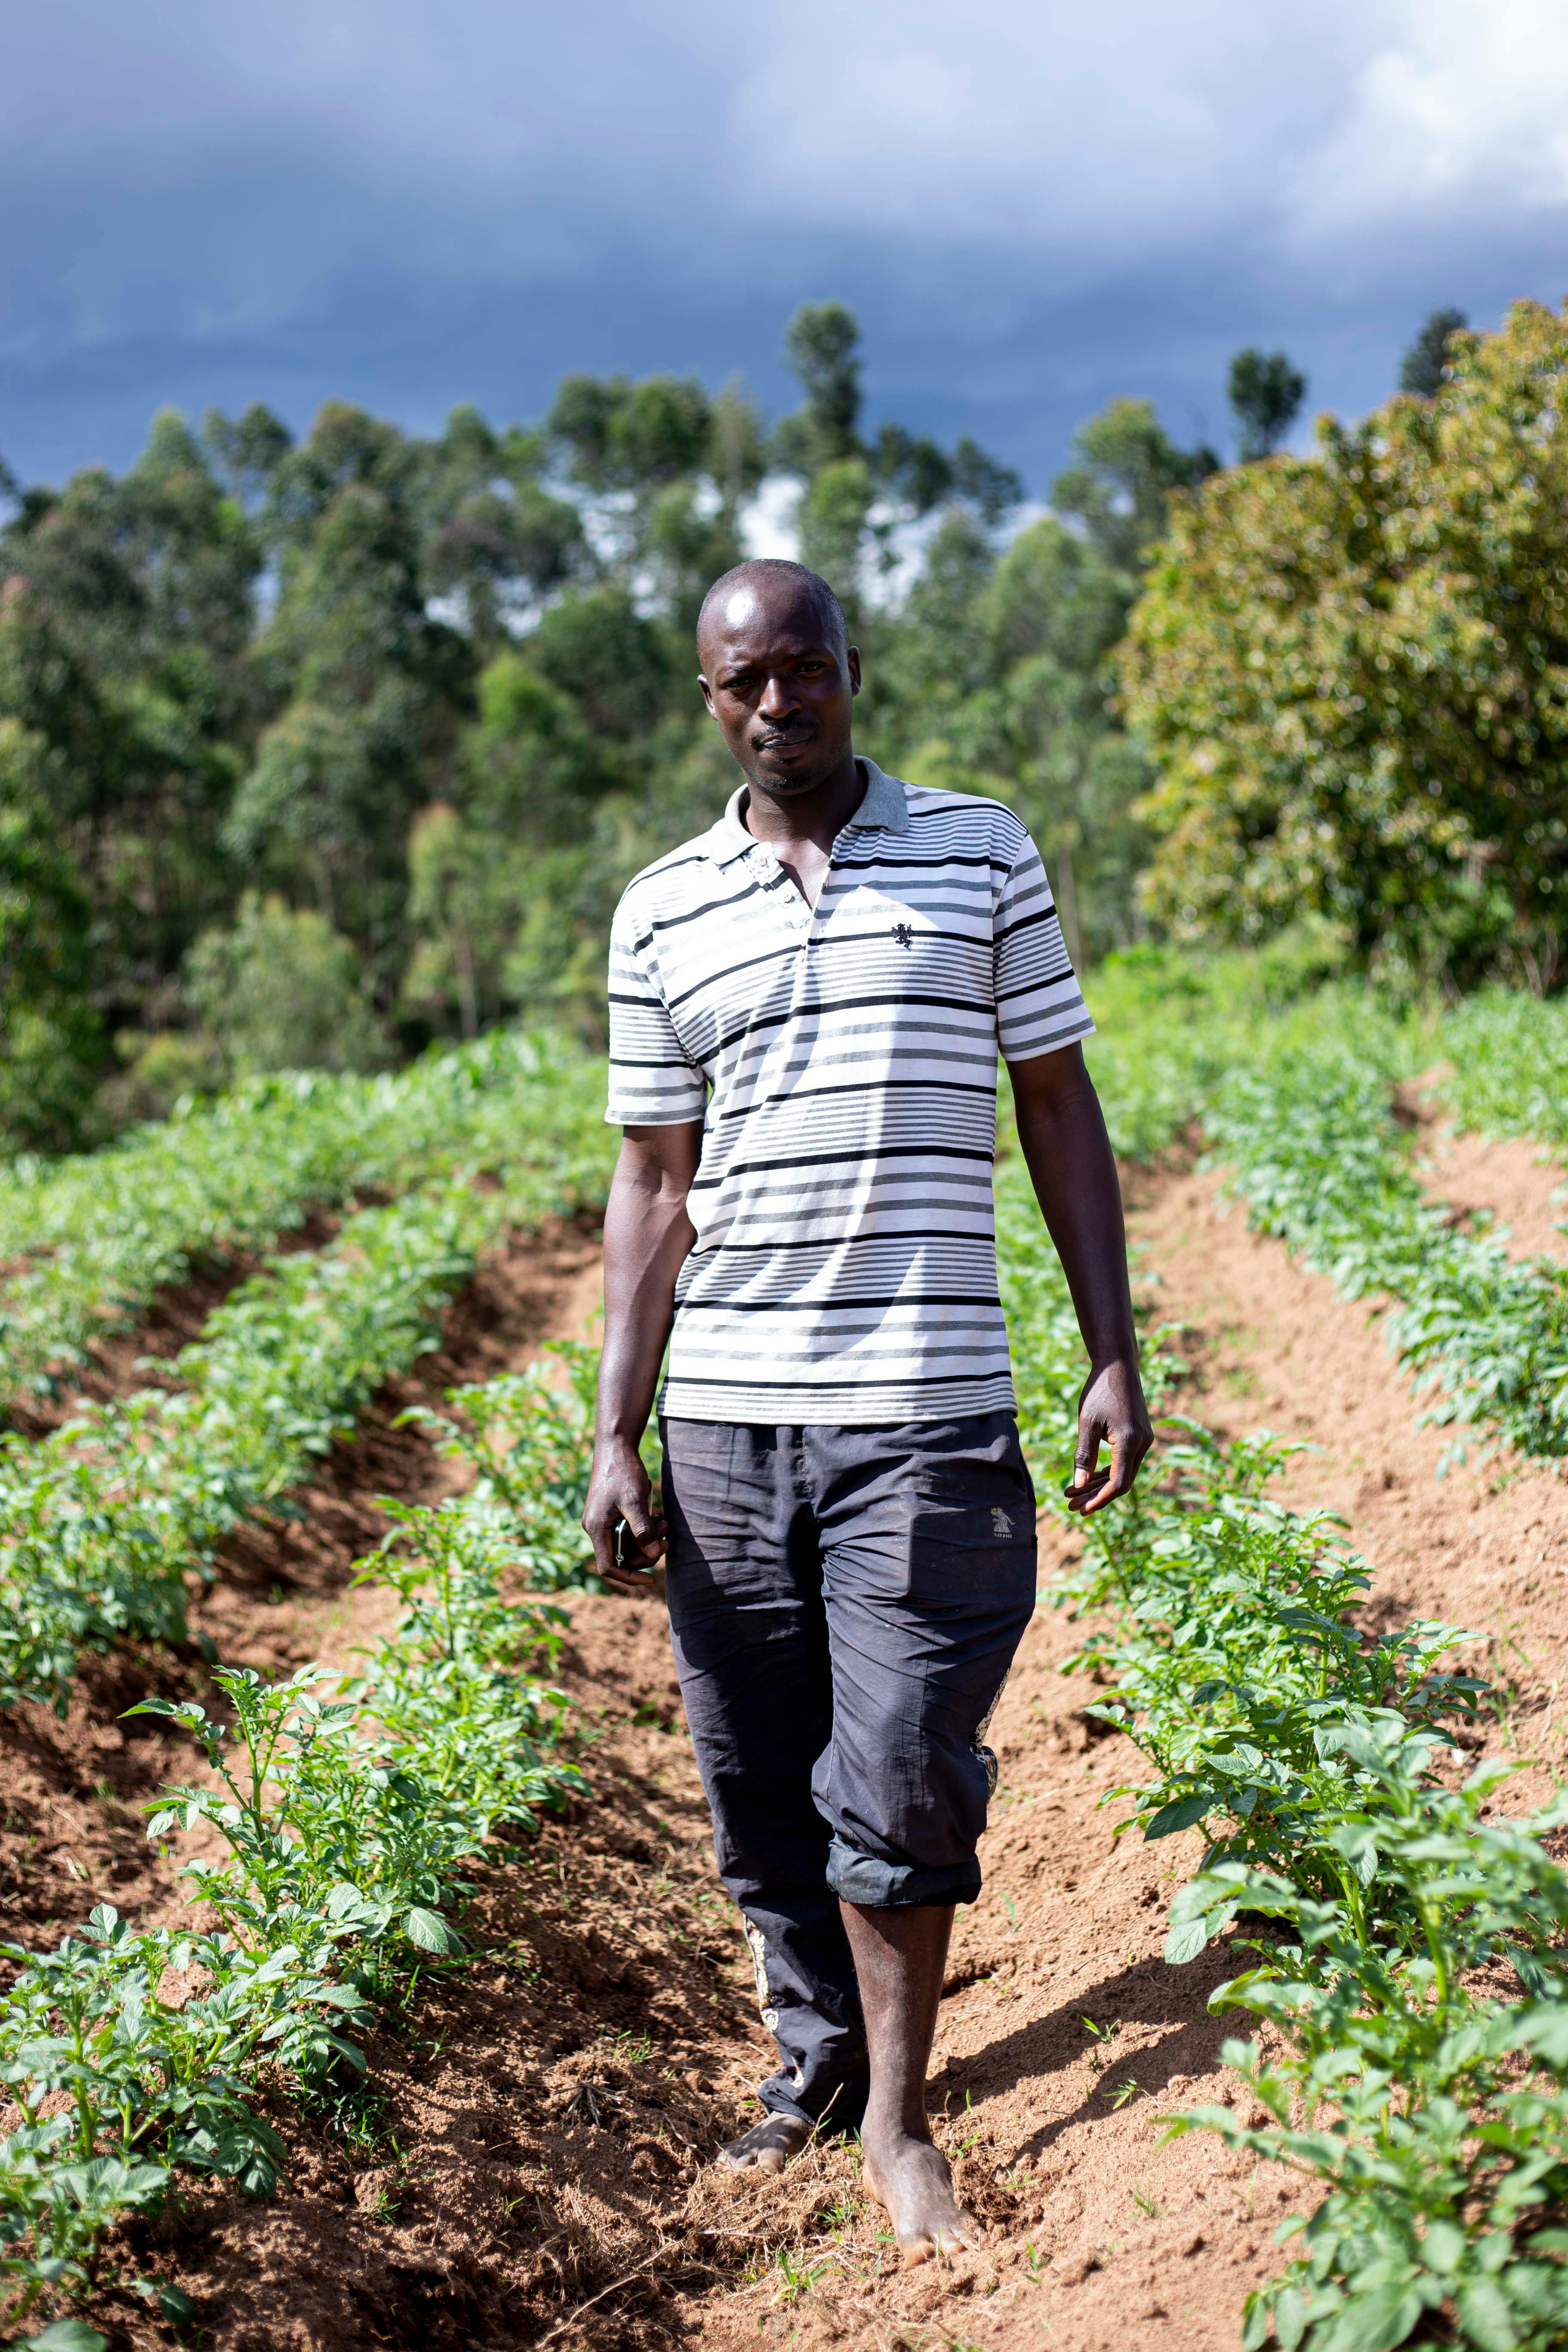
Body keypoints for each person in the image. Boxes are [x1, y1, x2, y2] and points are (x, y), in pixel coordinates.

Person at [582, 557, 1151, 2263]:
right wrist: (619, 1424)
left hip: (929, 1408)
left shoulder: (980, 851)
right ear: (711, 699)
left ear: (853, 669)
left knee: (899, 1766)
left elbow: (1055, 1101)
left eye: (804, 671)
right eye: (744, 682)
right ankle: (818, 2071)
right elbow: (653, 1180)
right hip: (735, 1422)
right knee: (758, 1774)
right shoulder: (660, 909)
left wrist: (1115, 1346)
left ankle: (902, 2122)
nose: (779, 704)